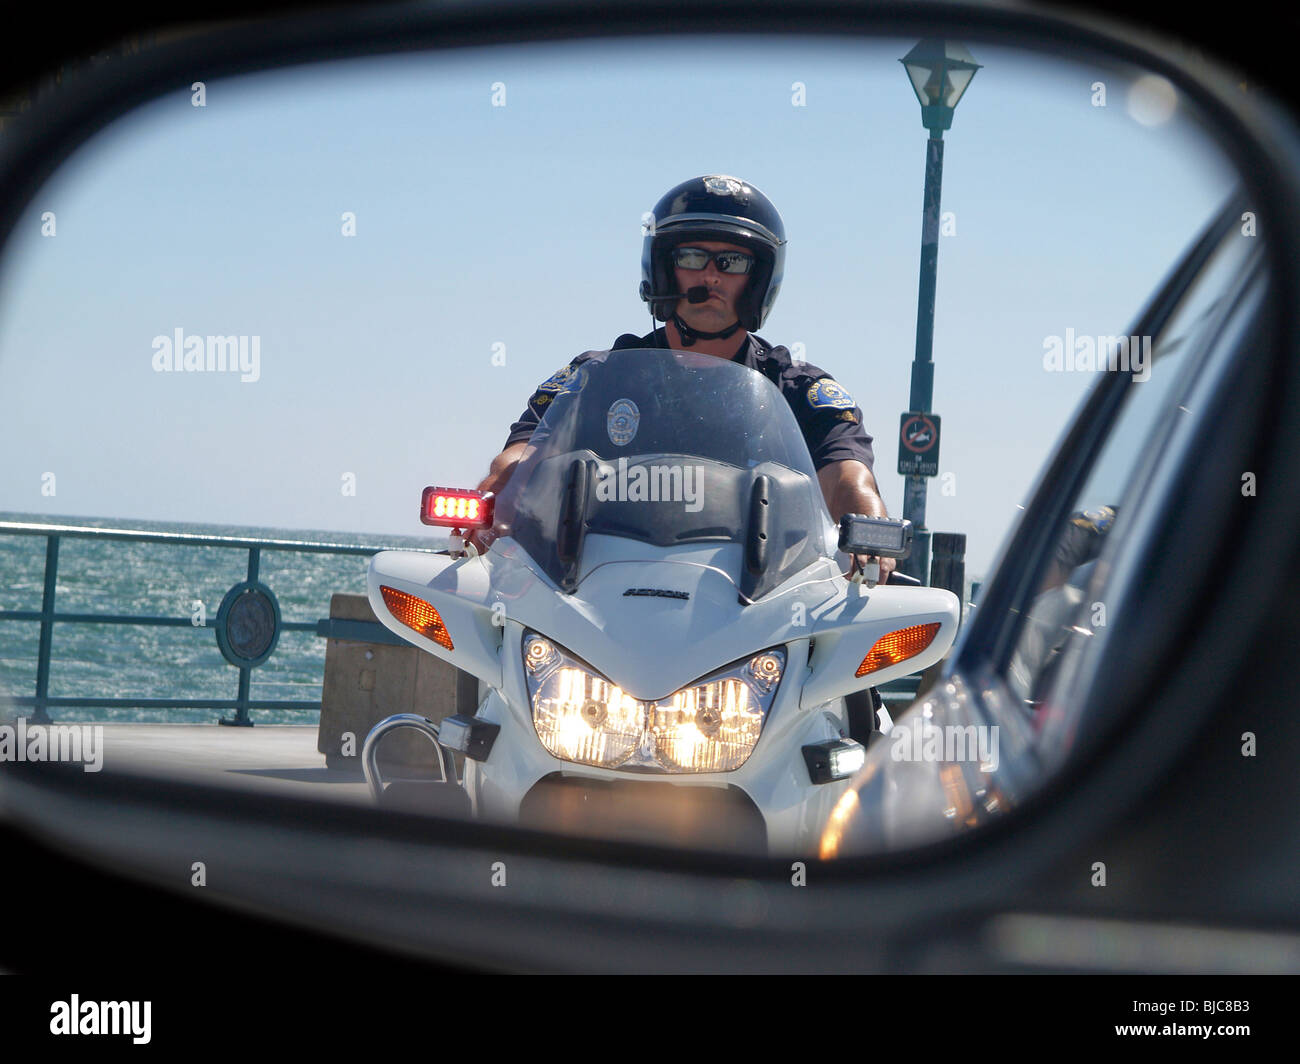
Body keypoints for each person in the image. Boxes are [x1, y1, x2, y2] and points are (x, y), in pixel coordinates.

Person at [475, 173, 895, 582]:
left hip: (759, 614)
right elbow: (522, 459)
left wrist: (869, 531)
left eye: (732, 262)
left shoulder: (800, 392)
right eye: (691, 257)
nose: (710, 276)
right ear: (662, 269)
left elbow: (847, 478)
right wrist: (491, 504)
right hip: (591, 597)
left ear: (759, 280)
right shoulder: (592, 380)